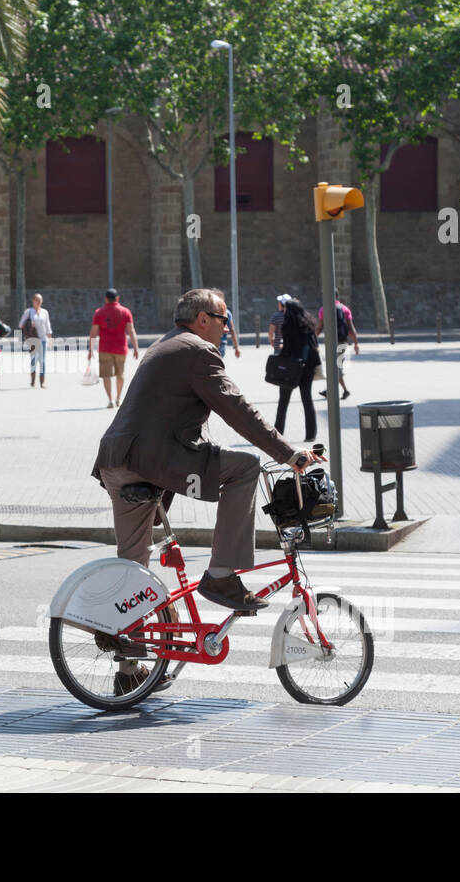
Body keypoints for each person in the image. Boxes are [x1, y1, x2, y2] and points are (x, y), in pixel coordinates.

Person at [93, 288, 322, 693]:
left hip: (117, 460)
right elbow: (238, 410)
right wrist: (289, 454)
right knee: (246, 468)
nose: (226, 327)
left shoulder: (164, 345)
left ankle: (128, 671)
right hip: (150, 461)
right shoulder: (197, 351)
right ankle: (219, 575)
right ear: (202, 319)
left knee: (134, 563)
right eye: (224, 319)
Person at [274, 298, 320, 442]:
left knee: (283, 402)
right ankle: (311, 434)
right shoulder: (309, 325)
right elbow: (314, 346)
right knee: (307, 400)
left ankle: (278, 433)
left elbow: (287, 349)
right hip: (307, 367)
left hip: (291, 369)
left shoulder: (288, 326)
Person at [88, 288, 139, 408]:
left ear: (106, 299)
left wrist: (90, 349)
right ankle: (118, 399)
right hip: (121, 348)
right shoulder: (125, 312)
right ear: (117, 298)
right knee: (120, 374)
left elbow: (94, 332)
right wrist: (135, 347)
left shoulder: (99, 312)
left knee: (106, 375)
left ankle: (110, 399)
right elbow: (131, 330)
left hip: (105, 348)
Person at [316, 289, 359, 401]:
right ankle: (329, 390)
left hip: (330, 343)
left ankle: (344, 390)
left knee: (335, 368)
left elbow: (320, 327)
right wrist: (356, 343)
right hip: (342, 342)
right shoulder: (345, 309)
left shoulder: (323, 309)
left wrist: (312, 339)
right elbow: (351, 328)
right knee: (337, 366)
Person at [18, 293, 53, 388]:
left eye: (40, 300)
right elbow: (20, 325)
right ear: (33, 301)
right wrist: (29, 324)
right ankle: (33, 380)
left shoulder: (45, 312)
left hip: (42, 339)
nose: (38, 302)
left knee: (42, 361)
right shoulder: (28, 312)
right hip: (33, 340)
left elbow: (47, 325)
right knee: (34, 360)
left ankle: (42, 382)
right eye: (37, 300)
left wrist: (50, 339)